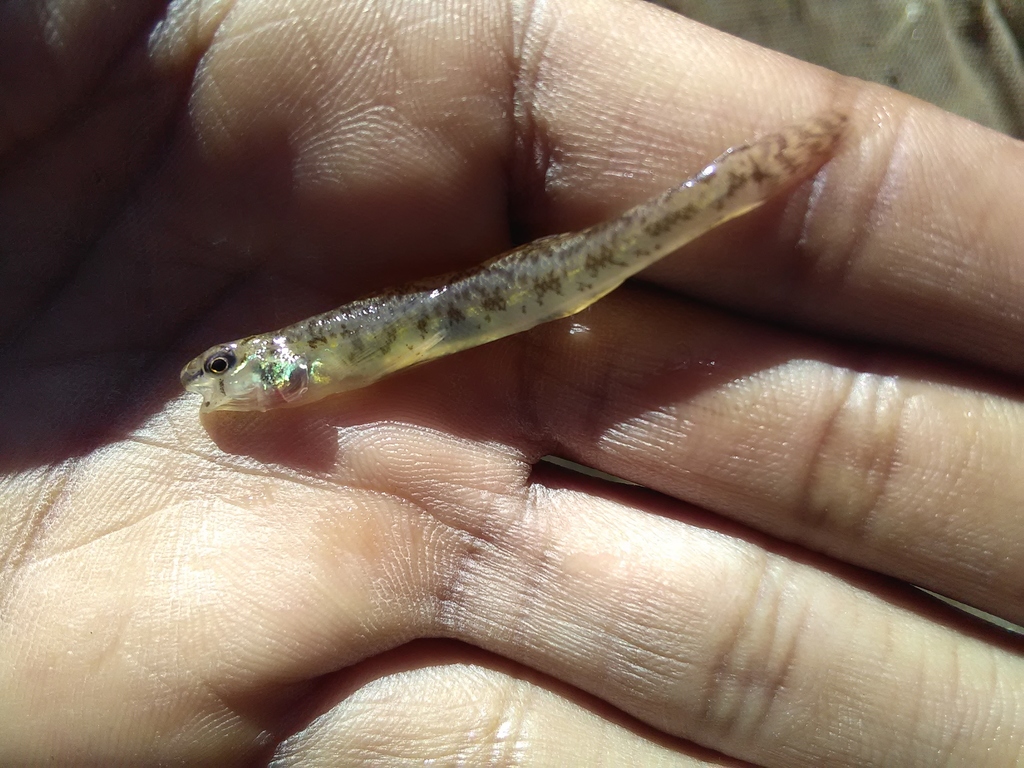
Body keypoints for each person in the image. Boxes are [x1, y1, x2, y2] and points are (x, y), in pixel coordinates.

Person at [2, 0, 1022, 764]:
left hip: (533, 287)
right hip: (514, 297)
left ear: (259, 358)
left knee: (640, 241)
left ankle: (770, 171)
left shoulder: (296, 358)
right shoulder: (298, 368)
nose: (217, 385)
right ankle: (761, 174)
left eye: (221, 370)